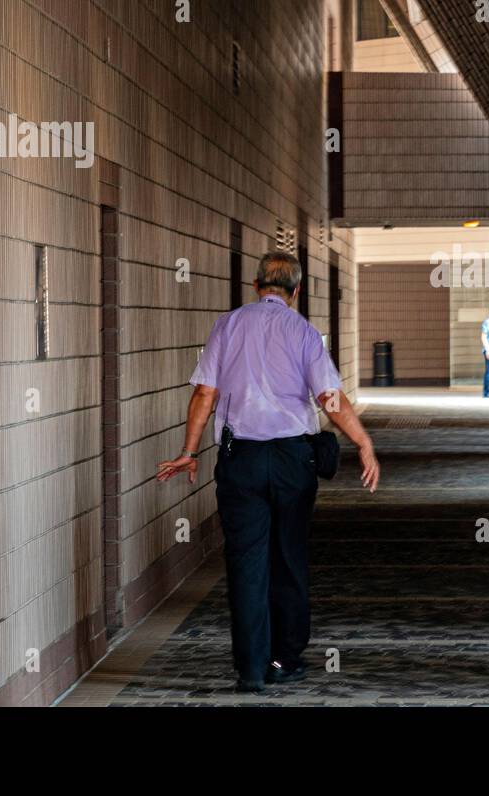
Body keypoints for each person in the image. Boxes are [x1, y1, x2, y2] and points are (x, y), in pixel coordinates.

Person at [155, 251, 379, 694]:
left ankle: (251, 669)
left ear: (256, 286)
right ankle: (284, 659)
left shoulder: (227, 325)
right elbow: (329, 398)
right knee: (288, 559)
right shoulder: (305, 333)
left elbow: (204, 393)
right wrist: (362, 442)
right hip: (294, 461)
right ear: (295, 292)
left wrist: (188, 449)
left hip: (241, 461)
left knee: (246, 563)